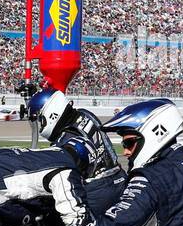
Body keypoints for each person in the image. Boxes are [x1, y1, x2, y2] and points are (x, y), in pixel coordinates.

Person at [28, 87, 128, 215]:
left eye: (40, 119)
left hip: (97, 191)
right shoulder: (85, 114)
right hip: (119, 178)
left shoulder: (66, 139)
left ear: (51, 114)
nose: (40, 124)